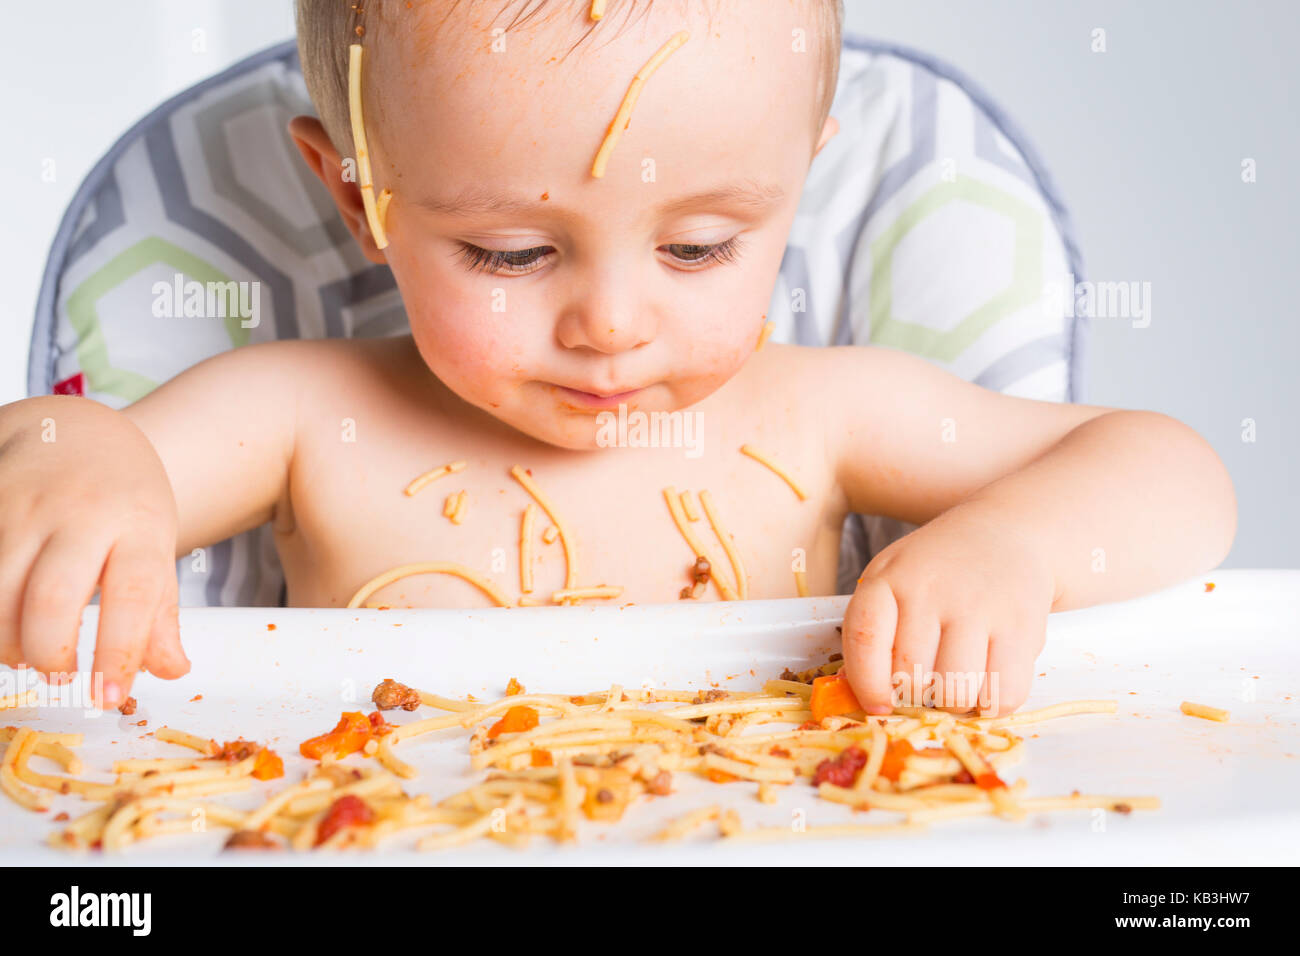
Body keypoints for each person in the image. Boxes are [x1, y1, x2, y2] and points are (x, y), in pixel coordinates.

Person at [0, 0, 1235, 717]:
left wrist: (1011, 544)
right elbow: (59, 448)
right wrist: (77, 453)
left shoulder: (823, 413)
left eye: (697, 246)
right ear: (358, 196)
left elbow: (1167, 472)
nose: (611, 323)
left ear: (798, 178)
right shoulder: (305, 415)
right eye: (510, 251)